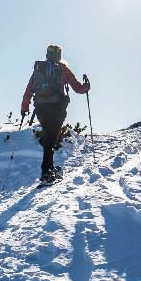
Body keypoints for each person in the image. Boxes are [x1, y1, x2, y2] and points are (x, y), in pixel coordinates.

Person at [20, 44, 90, 183]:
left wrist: (24, 107)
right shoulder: (63, 69)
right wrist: (87, 85)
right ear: (59, 56)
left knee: (48, 136)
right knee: (51, 137)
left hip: (41, 108)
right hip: (58, 108)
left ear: (47, 54)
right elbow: (78, 89)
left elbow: (29, 90)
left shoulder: (39, 69)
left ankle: (48, 169)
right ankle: (46, 171)